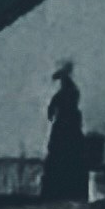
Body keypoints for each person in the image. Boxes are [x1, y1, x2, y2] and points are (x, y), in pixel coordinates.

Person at [41, 62, 90, 201]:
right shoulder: (68, 94)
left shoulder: (67, 94)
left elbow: (52, 110)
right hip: (66, 137)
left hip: (65, 138)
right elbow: (52, 110)